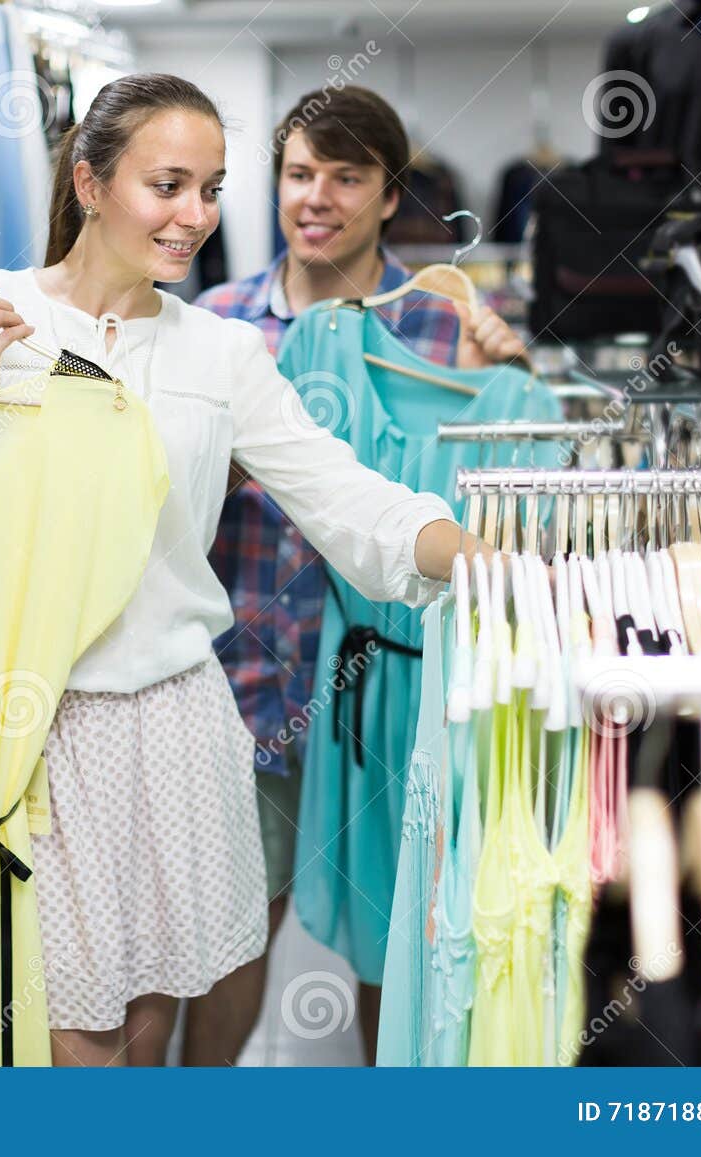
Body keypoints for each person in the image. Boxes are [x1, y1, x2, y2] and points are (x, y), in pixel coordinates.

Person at [0, 73, 486, 1068]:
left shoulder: (223, 352)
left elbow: (350, 502)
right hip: (31, 720)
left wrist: (482, 557)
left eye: (209, 189)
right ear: (88, 180)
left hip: (176, 717)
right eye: (167, 185)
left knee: (144, 1025)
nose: (194, 216)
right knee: (75, 1034)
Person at [192, 85, 524, 1065]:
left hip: (388, 685)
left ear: (389, 195)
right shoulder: (215, 324)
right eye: (300, 173)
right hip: (244, 675)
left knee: (397, 929)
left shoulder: (447, 320)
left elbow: (506, 457)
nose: (317, 197)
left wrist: (507, 365)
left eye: (347, 176)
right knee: (233, 924)